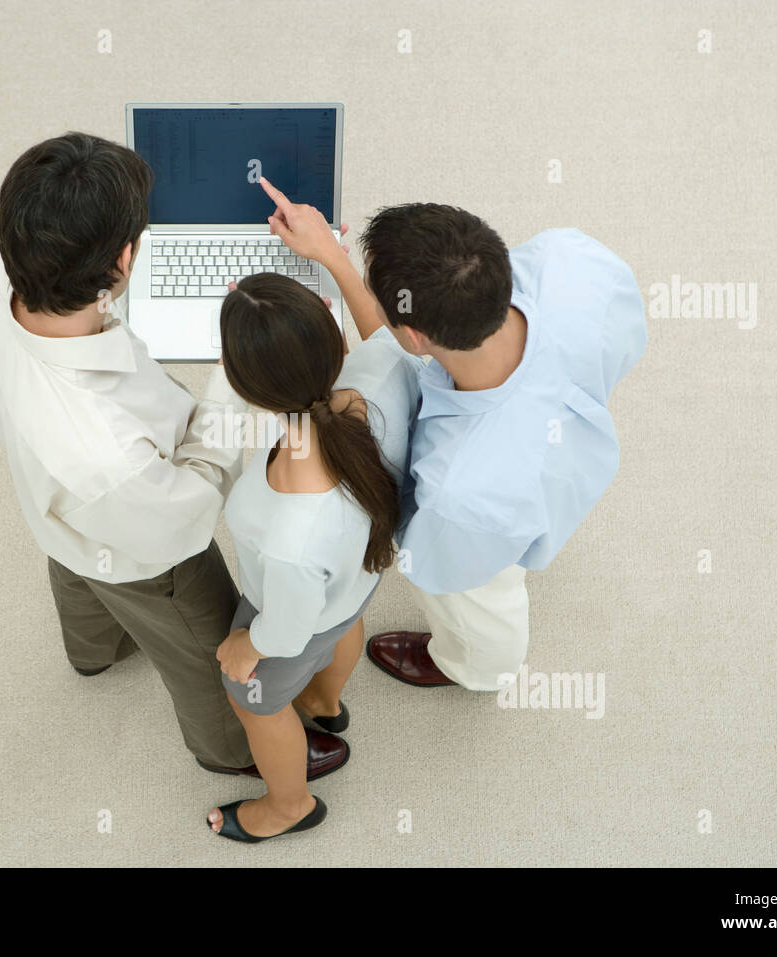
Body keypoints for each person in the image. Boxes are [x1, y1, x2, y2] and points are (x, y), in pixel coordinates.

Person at [0, 135, 349, 783]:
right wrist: (232, 372)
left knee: (75, 568)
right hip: (147, 554)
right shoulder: (107, 455)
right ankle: (231, 748)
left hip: (54, 507)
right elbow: (186, 511)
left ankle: (92, 654)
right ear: (124, 261)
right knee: (199, 646)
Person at [257, 178, 646, 693]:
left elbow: (434, 567)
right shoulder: (568, 257)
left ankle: (474, 669)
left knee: (481, 605)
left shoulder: (456, 494)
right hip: (567, 448)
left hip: (492, 526)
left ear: (415, 336)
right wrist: (333, 256)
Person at [204, 271, 419, 843]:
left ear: (247, 389)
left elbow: (290, 629)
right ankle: (325, 702)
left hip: (293, 616)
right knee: (338, 629)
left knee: (251, 700)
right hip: (352, 586)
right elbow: (380, 337)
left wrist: (249, 644)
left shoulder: (288, 536)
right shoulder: (384, 372)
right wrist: (331, 259)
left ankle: (289, 805)